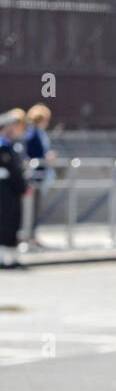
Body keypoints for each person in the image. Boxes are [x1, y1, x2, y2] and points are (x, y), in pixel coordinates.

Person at [1, 109, 30, 270]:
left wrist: (23, 186)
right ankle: (5, 259)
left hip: (13, 190)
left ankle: (11, 258)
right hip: (4, 191)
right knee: (4, 224)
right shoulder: (3, 146)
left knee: (13, 224)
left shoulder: (12, 146)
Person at [23, 104, 53, 249]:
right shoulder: (33, 134)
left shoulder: (37, 133)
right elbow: (32, 154)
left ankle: (32, 236)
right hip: (35, 175)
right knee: (32, 208)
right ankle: (29, 237)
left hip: (40, 174)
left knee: (36, 208)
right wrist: (45, 157)